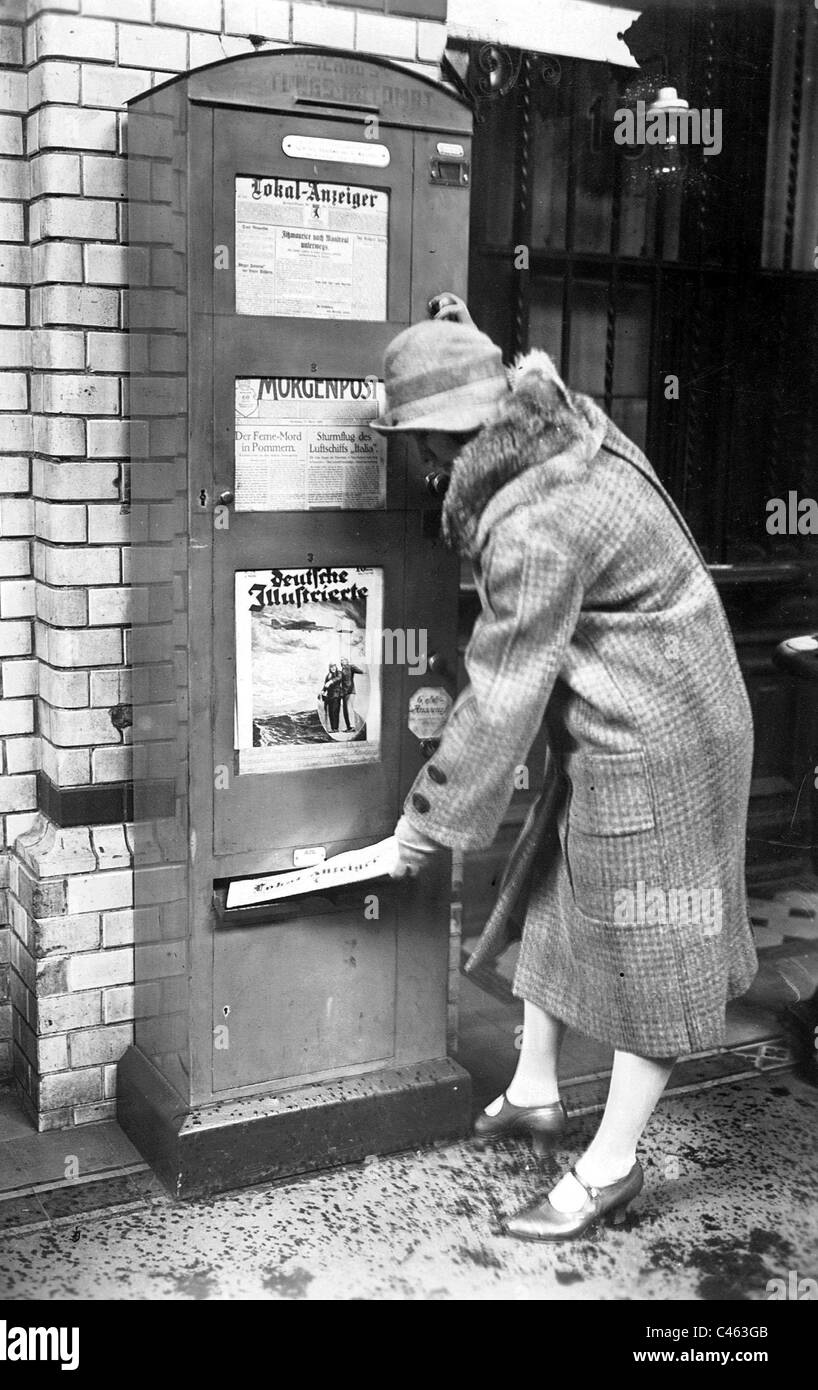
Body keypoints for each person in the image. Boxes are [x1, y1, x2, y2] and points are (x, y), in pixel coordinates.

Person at [370, 301, 758, 1242]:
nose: (411, 470)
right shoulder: (555, 426)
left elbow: (501, 695)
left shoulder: (534, 521)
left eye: (409, 446)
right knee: (553, 887)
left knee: (650, 943)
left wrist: (420, 828)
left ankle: (610, 1166)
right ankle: (537, 1088)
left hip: (664, 734)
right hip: (642, 703)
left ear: (436, 442)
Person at [338, 658, 364, 732]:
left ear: (346, 661)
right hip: (344, 692)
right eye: (341, 660)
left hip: (350, 691)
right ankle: (349, 727)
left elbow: (360, 671)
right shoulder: (341, 670)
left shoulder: (350, 667)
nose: (341, 661)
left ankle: (352, 726)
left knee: (349, 707)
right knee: (345, 710)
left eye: (343, 660)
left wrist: (363, 671)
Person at [320, 663, 342, 733]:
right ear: (329, 668)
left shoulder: (339, 673)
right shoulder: (328, 675)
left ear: (336, 667)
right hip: (329, 696)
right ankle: (333, 728)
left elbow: (339, 678)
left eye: (334, 667)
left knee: (335, 711)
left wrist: (331, 681)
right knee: (331, 712)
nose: (333, 668)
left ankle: (336, 728)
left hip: (336, 695)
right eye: (331, 667)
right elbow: (325, 685)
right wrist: (323, 691)